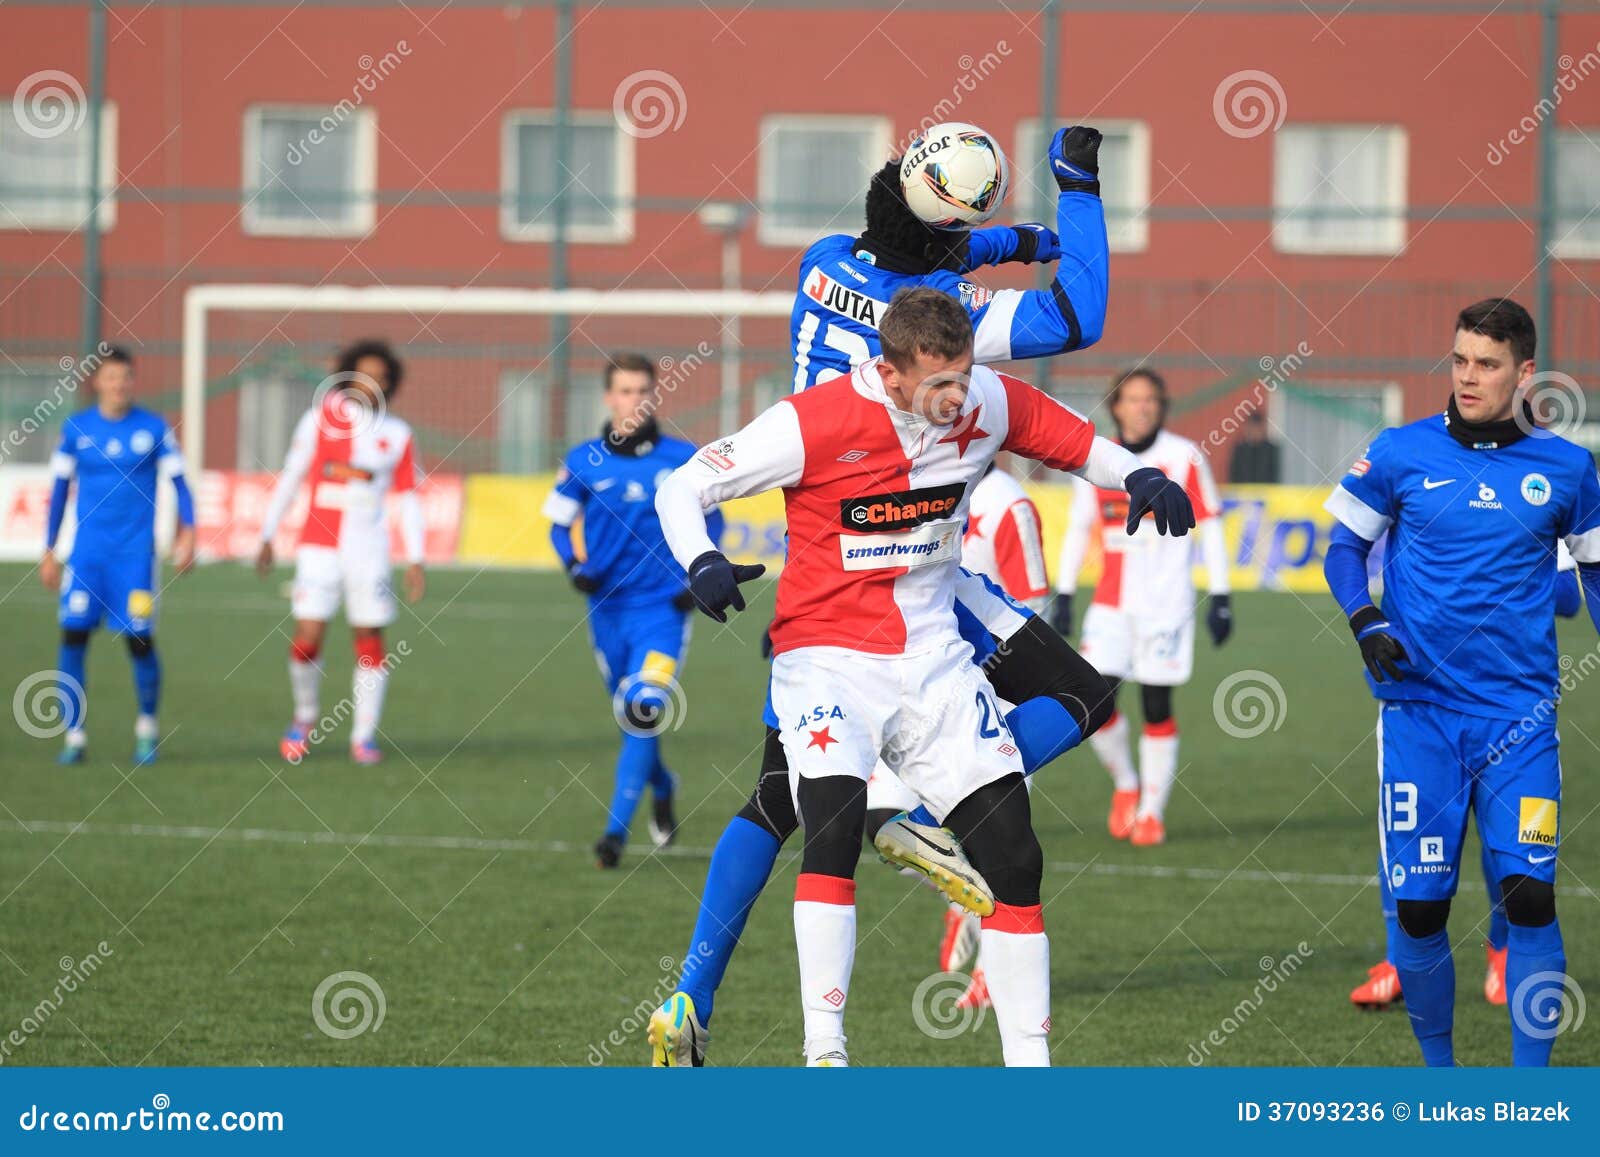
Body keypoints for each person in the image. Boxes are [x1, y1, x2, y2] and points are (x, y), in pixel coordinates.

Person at [647, 124, 1121, 1065]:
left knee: (777, 797)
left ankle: (692, 993)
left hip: (819, 553)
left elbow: (920, 247)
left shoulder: (825, 260)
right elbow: (1078, 315)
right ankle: (922, 809)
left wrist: (1010, 240)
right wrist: (1075, 194)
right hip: (903, 554)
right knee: (1083, 691)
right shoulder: (947, 318)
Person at [1322, 298, 1600, 1066]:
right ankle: (1442, 1081)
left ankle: (1528, 1090)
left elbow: (1594, 575)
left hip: (1520, 718)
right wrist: (1365, 619)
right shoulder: (1400, 451)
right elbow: (1343, 548)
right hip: (1420, 715)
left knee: (1530, 896)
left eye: (1487, 363)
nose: (1468, 376)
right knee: (1419, 911)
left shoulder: (1567, 468)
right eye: (1460, 360)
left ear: (1524, 372)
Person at [1349, 541, 1584, 1011]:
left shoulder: (1533, 497)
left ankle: (1503, 949)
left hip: (1507, 699)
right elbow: (1350, 547)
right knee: (1404, 825)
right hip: (1423, 697)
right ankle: (1400, 960)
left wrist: (1484, 576)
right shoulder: (1411, 494)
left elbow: (1568, 596)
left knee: (1506, 837)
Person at [542, 353, 724, 868]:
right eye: (625, 391)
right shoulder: (582, 461)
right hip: (607, 612)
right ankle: (662, 786)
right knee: (632, 720)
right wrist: (574, 566)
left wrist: (696, 577)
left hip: (664, 612)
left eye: (643, 390)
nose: (635, 400)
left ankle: (613, 836)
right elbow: (558, 525)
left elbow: (715, 523)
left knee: (643, 710)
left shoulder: (683, 459)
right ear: (608, 397)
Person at [1054, 368, 1232, 846]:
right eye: (1132, 399)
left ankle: (1151, 812)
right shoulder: (1098, 459)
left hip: (1166, 606)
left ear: (1162, 405)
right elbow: (1078, 528)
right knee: (1091, 701)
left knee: (1156, 705)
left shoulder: (1184, 456)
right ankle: (1126, 783)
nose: (1142, 407)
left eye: (1150, 399)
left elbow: (1212, 525)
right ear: (1116, 406)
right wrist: (1064, 593)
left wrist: (1221, 596)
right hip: (1110, 605)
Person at [256, 340, 425, 766]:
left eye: (381, 377)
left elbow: (408, 498)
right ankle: (304, 716)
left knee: (370, 640)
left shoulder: (398, 434)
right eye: (364, 375)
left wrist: (416, 557)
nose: (372, 384)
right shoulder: (319, 419)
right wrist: (267, 533)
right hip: (320, 546)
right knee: (307, 637)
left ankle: (363, 736)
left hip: (370, 551)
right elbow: (292, 476)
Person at [40, 346, 196, 765]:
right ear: (97, 381)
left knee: (139, 641)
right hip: (87, 559)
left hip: (135, 560)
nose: (119, 385)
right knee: (73, 637)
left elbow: (181, 485)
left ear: (132, 380)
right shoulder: (76, 428)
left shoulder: (154, 428)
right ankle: (74, 737)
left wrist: (189, 533)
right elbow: (58, 492)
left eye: (125, 377)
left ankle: (146, 729)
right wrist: (49, 550)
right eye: (111, 377)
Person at [1228, 409, 1281, 483]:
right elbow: (1233, 475)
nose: (1252, 432)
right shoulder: (1240, 450)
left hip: (1266, 489)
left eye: (1255, 428)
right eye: (1249, 428)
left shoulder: (1272, 450)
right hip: (1243, 489)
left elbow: (1276, 475)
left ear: (1261, 429)